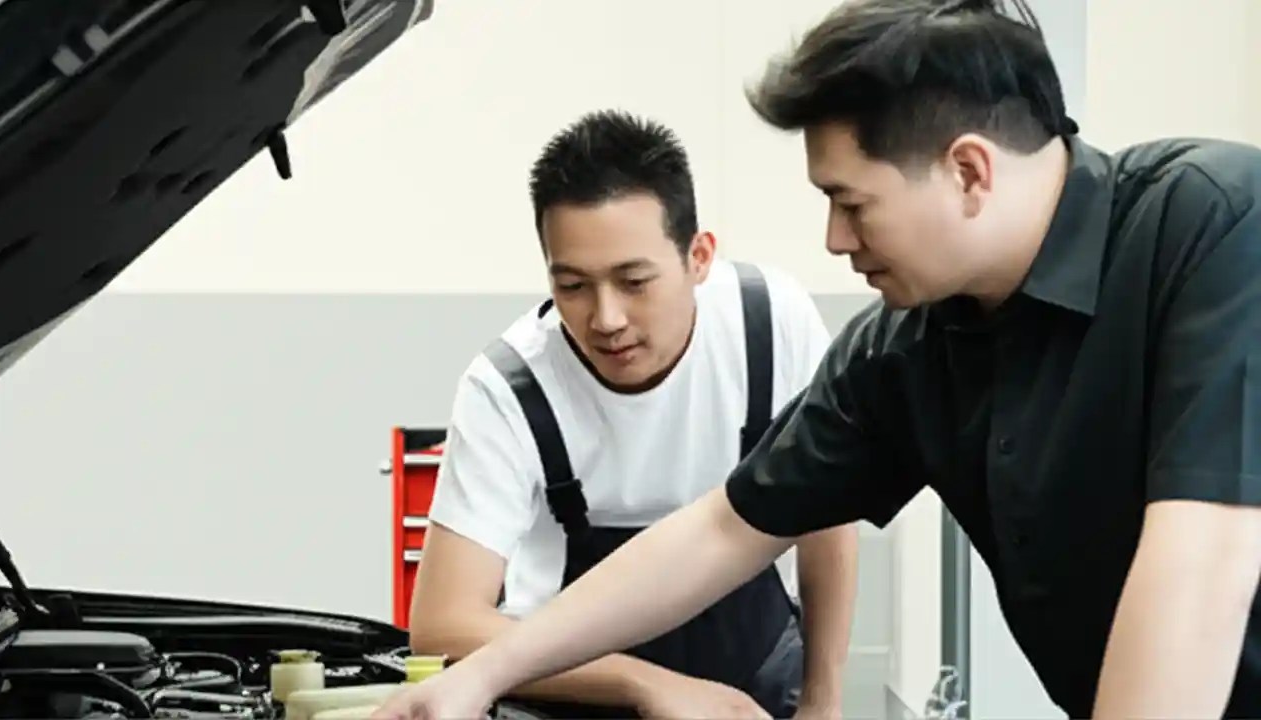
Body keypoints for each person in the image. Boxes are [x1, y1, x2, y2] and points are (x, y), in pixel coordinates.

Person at [373, 0, 1261, 717]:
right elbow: (727, 527)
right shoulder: (908, 347)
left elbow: (1203, 564)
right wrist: (483, 673)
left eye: (850, 202)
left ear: (969, 172)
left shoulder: (1210, 226)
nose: (834, 239)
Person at [393, 109, 860, 719]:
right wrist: (647, 685)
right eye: (573, 286)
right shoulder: (509, 388)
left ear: (699, 256)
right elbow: (443, 623)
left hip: (759, 692)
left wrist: (823, 702)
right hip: (570, 697)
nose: (605, 318)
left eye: (634, 281)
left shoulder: (770, 326)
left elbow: (825, 517)